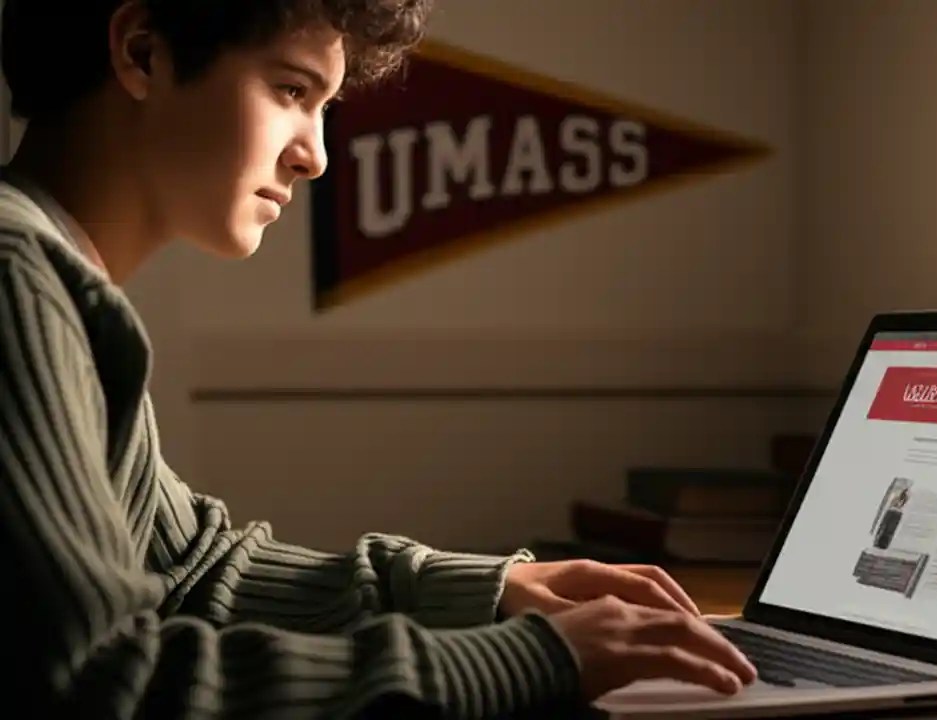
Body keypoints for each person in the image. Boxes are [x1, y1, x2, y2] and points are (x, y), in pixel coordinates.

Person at [0, 1, 758, 717]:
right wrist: (535, 657)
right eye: (290, 88)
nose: (315, 157)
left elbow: (192, 571)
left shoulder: (47, 275)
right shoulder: (16, 284)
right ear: (142, 51)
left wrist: (490, 589)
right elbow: (102, 684)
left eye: (322, 108)